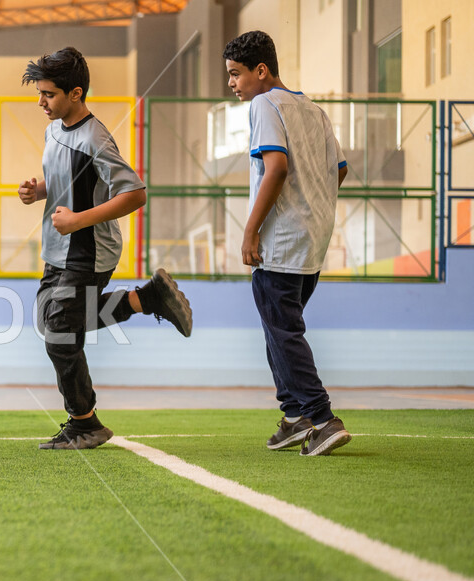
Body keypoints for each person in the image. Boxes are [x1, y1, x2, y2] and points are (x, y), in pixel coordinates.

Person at [19, 46, 194, 450]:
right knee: (51, 323)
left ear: (76, 93)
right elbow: (70, 178)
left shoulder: (94, 137)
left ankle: (85, 423)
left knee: (60, 334)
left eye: (48, 94)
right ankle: (145, 298)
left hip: (89, 250)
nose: (41, 102)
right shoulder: (53, 129)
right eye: (40, 93)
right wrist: (39, 189)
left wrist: (78, 220)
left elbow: (134, 194)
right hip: (57, 248)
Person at [223, 30, 352, 456]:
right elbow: (340, 169)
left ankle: (322, 418)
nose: (232, 83)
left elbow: (275, 168)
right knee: (278, 330)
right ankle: (295, 415)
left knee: (284, 332)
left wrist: (250, 230)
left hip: (280, 242)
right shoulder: (314, 110)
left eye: (236, 74)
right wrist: (312, 205)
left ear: (261, 71)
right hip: (313, 240)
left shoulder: (265, 104)